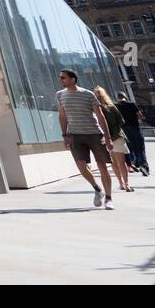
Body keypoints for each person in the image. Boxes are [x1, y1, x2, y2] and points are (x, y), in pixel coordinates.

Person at [57, 68, 115, 209]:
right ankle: (97, 189)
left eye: (63, 77)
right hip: (74, 135)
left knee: (102, 168)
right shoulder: (59, 95)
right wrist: (64, 135)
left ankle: (109, 198)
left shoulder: (88, 94)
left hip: (94, 134)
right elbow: (62, 116)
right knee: (81, 166)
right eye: (61, 77)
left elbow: (100, 116)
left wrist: (107, 137)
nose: (61, 80)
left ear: (73, 79)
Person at [93, 87, 132, 193]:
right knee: (121, 162)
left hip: (104, 138)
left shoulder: (94, 109)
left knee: (114, 163)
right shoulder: (111, 107)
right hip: (116, 136)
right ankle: (126, 183)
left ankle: (121, 183)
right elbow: (121, 121)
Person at [116, 91, 148, 176]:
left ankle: (133, 163)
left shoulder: (116, 106)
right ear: (125, 97)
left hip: (125, 130)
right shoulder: (132, 104)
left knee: (130, 148)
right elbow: (139, 116)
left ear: (118, 98)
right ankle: (143, 165)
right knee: (140, 148)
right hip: (135, 128)